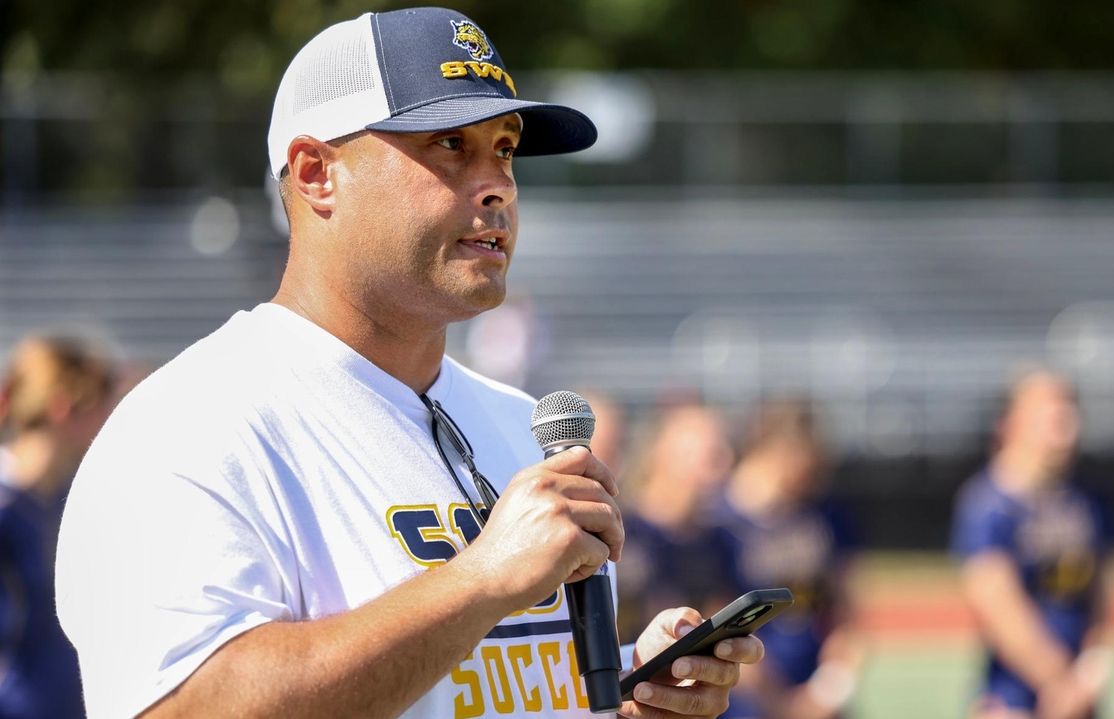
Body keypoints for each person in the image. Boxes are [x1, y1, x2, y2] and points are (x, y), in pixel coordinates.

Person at [55, 8, 761, 719]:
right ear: (316, 173)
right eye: (451, 144)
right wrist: (481, 578)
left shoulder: (519, 424)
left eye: (506, 149)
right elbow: (185, 708)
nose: (500, 187)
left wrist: (633, 697)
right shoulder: (186, 425)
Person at [950, 369, 1111, 719]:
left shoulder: (1085, 499)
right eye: (1049, 413)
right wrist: (1056, 680)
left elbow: (1100, 596)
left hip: (1077, 696)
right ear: (1009, 423)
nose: (1065, 425)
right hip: (1016, 696)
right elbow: (997, 606)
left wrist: (1088, 674)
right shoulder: (988, 502)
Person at [714, 399, 861, 719]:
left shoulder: (826, 514)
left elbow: (845, 610)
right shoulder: (716, 522)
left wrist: (829, 687)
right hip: (744, 700)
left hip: (816, 694)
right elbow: (715, 624)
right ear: (781, 451)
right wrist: (780, 704)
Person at [0, 334, 116, 718]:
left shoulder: (71, 495)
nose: (110, 418)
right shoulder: (7, 505)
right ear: (63, 406)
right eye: (101, 404)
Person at [615, 402, 737, 645]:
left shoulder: (719, 540)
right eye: (711, 457)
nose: (726, 466)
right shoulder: (619, 531)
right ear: (664, 455)